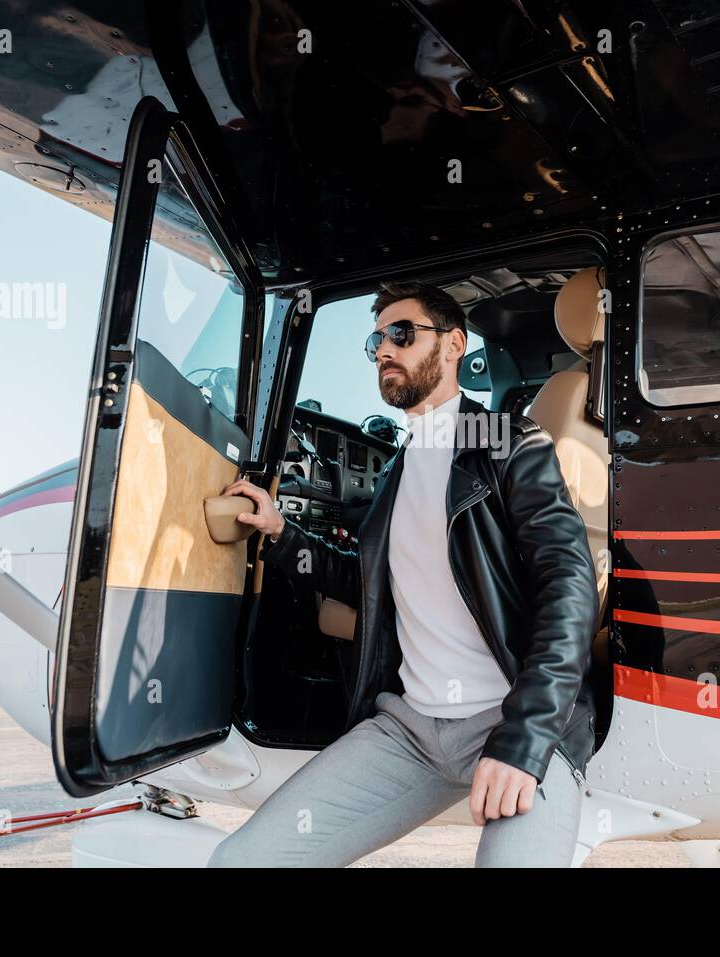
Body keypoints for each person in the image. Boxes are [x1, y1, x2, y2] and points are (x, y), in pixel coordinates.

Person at [207, 280, 598, 867]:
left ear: (453, 346)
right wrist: (282, 534)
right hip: (408, 730)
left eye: (402, 333)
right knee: (241, 862)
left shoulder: (505, 441)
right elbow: (368, 582)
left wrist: (527, 734)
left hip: (513, 718)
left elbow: (569, 586)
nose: (384, 349)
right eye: (376, 341)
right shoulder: (399, 465)